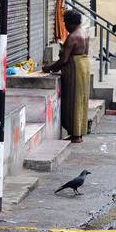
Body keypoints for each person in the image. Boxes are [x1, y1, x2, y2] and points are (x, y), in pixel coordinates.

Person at [44, 9, 90, 143]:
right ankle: (79, 133)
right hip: (84, 66)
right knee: (81, 99)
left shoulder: (73, 36)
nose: (64, 26)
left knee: (73, 101)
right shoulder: (85, 32)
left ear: (71, 23)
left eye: (65, 23)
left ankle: (76, 136)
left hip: (75, 69)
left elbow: (64, 60)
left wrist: (49, 68)